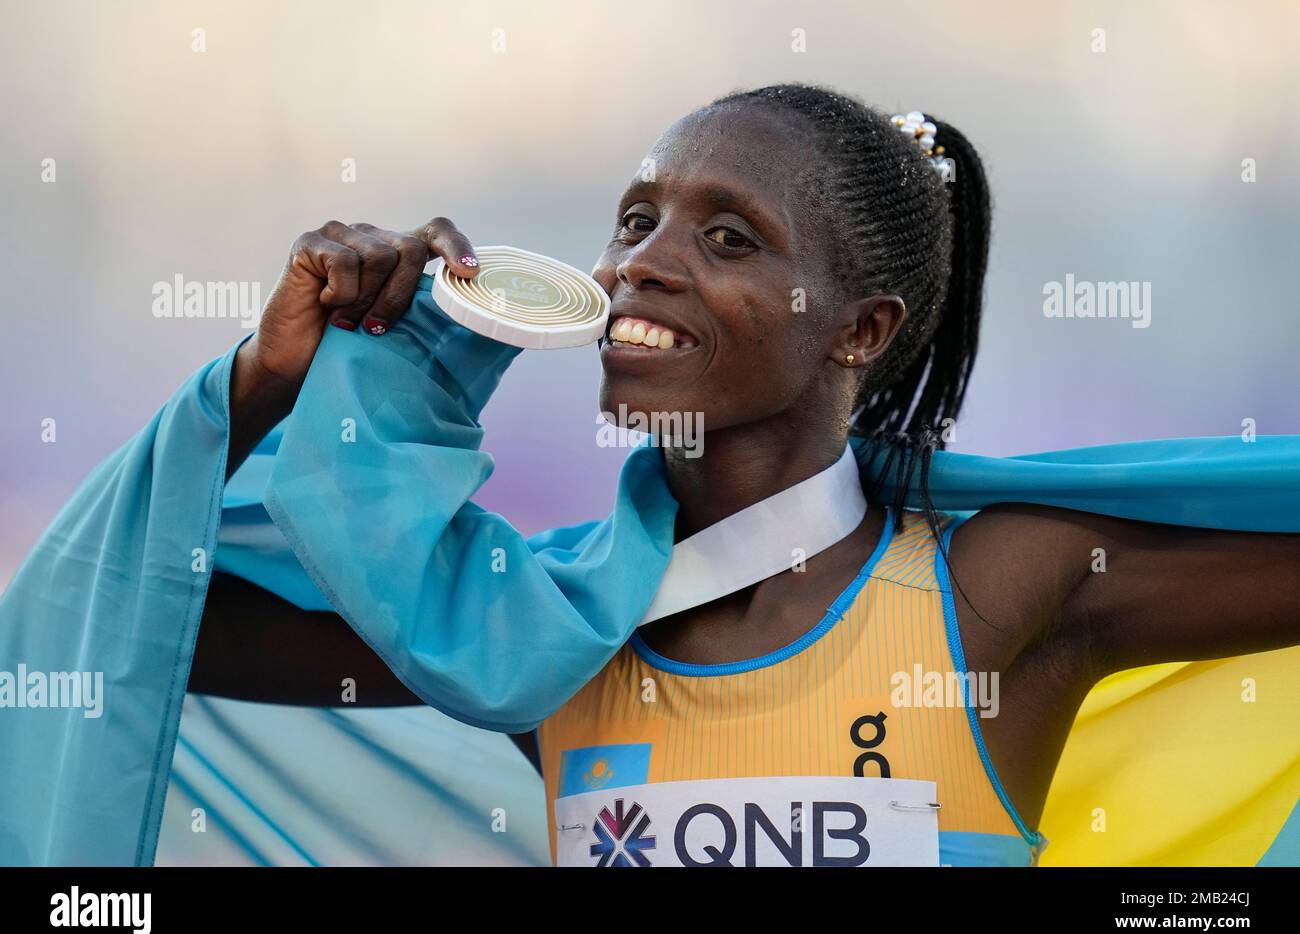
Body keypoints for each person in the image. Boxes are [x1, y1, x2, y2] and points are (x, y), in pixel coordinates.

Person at [186, 84, 1300, 866]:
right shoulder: (546, 628)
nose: (638, 265)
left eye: (727, 239)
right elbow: (134, 612)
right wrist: (275, 375)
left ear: (859, 327)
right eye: (636, 220)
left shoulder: (1002, 592)